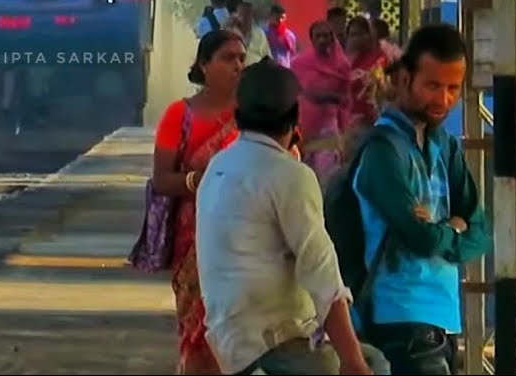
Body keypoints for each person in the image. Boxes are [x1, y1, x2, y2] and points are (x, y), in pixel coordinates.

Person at [197, 59, 375, 375]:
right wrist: (354, 363)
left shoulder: (218, 166)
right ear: (295, 118)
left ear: (238, 115)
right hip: (272, 343)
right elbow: (322, 272)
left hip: (230, 342)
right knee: (375, 363)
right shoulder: (290, 174)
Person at [351, 23, 491, 375]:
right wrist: (452, 227)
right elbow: (419, 237)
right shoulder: (383, 151)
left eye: (452, 88)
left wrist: (441, 229)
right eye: (432, 86)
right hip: (398, 319)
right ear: (404, 79)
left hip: (444, 319)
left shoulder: (444, 145)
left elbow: (481, 233)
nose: (443, 100)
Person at [151, 29, 245, 374]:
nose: (237, 66)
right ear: (204, 65)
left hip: (244, 235)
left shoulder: (255, 114)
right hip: (195, 236)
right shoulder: (180, 115)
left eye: (241, 59)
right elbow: (162, 180)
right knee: (198, 326)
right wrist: (200, 180)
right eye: (228, 58)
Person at [289, 20, 353, 187]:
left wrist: (328, 97)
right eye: (318, 36)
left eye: (326, 36)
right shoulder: (300, 64)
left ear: (333, 38)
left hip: (329, 127)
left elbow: (346, 98)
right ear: (311, 39)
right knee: (305, 177)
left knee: (327, 177)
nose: (322, 40)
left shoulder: (342, 66)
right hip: (304, 126)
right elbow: (295, 92)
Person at [345, 16, 390, 132]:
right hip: (351, 120)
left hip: (373, 120)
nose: (356, 39)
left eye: (360, 34)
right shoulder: (351, 57)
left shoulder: (381, 58)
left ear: (370, 34)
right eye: (352, 35)